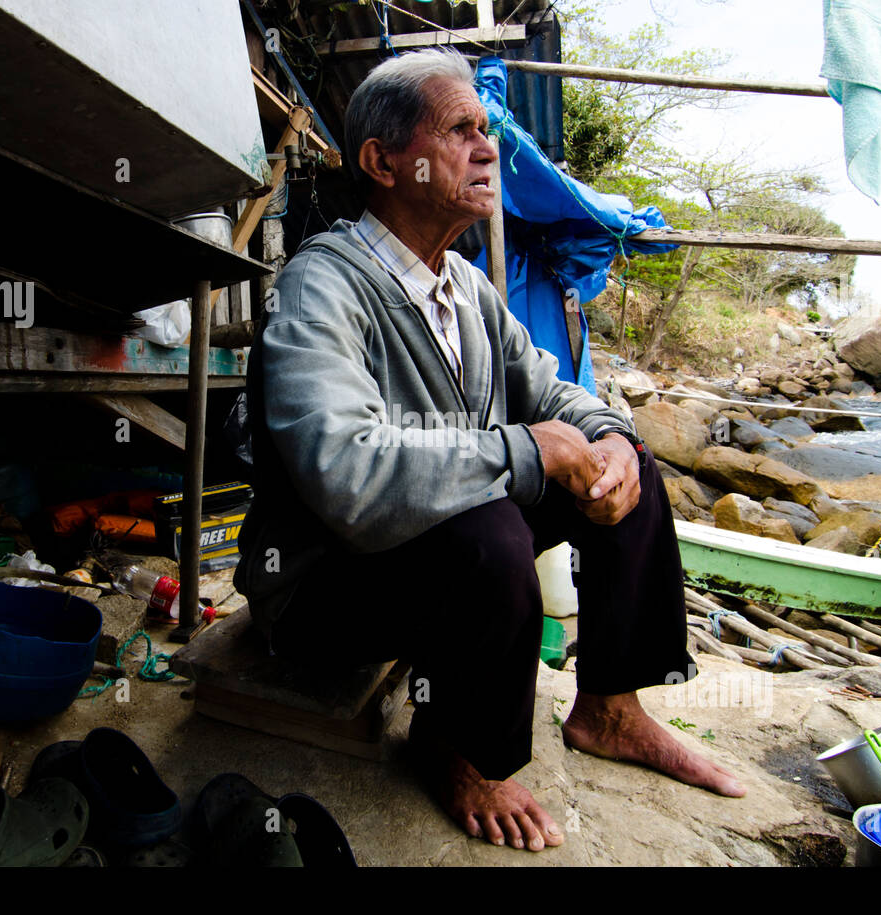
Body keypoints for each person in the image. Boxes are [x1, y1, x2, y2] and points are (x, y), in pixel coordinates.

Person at [234, 47, 744, 852]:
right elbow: (347, 472)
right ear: (384, 162)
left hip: (422, 554)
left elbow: (549, 391)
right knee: (489, 529)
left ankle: (610, 708)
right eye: (459, 129)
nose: (487, 147)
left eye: (486, 128)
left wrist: (605, 437)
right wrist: (524, 453)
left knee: (629, 464)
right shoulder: (323, 285)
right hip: (324, 588)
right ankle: (458, 746)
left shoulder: (465, 288)